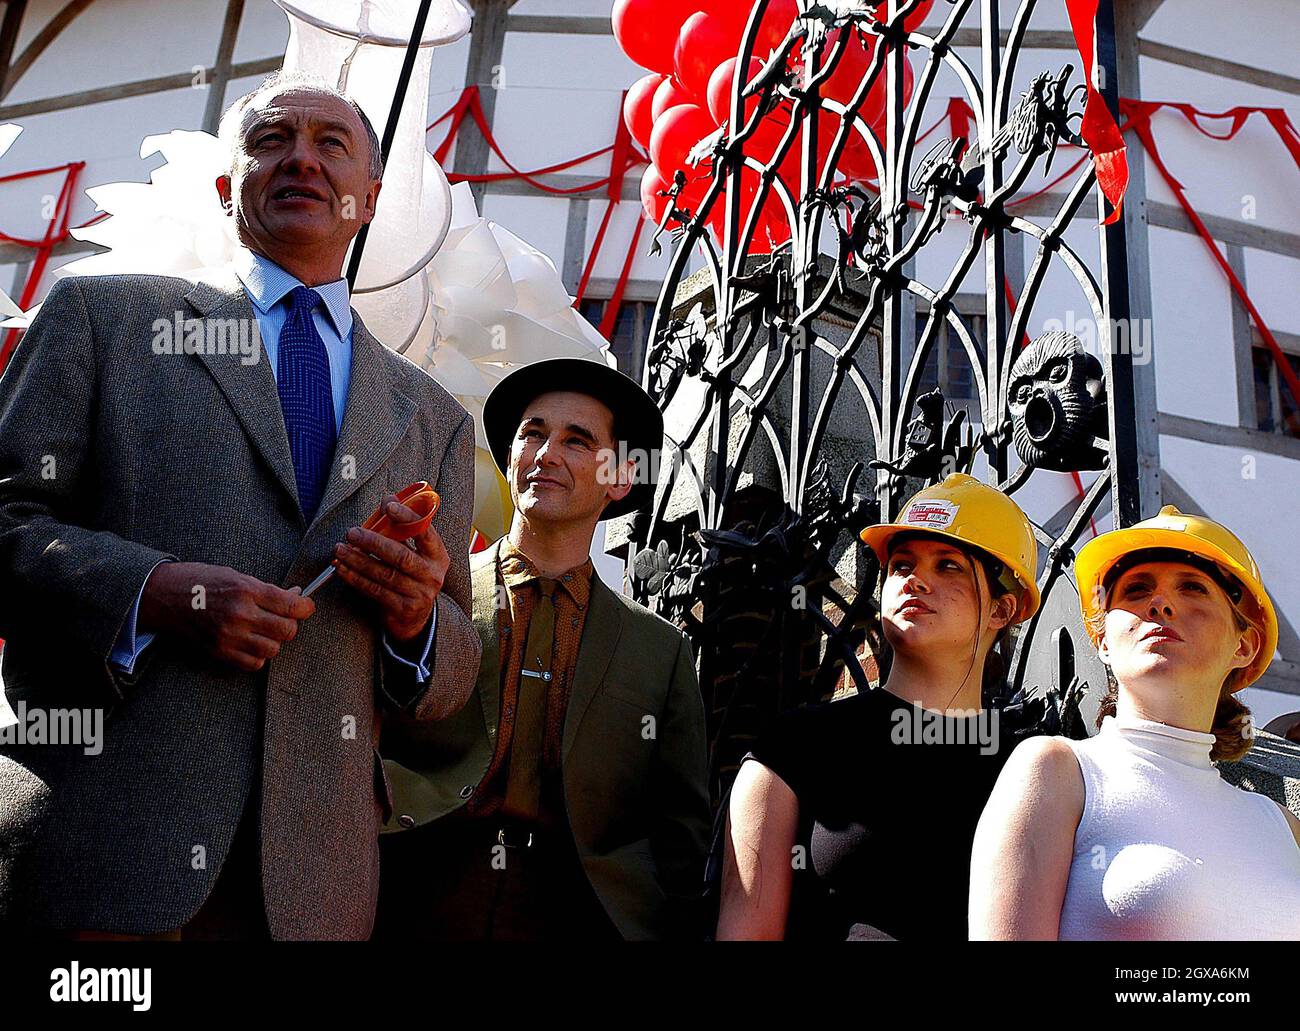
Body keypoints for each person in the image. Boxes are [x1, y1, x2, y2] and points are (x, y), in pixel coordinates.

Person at [0, 71, 480, 940]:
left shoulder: (434, 418)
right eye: (271, 140)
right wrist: (158, 591)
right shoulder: (100, 320)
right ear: (227, 189)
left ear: (367, 199)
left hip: (315, 893)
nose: (301, 158)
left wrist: (417, 625)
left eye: (331, 144)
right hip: (105, 860)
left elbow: (452, 670)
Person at [374, 356, 711, 941]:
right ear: (510, 456)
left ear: (621, 477)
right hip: (411, 899)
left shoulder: (661, 651)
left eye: (577, 441)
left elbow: (681, 832)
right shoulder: (433, 594)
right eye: (533, 433)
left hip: (584, 916)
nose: (547, 453)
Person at [717, 473, 1040, 940]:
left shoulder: (1029, 772)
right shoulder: (797, 746)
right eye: (901, 565)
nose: (914, 581)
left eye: (947, 566)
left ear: (1001, 610)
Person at [970, 506, 1300, 940]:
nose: (1160, 602)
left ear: (1245, 644)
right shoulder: (1057, 770)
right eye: (1137, 589)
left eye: (1193, 588)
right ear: (1103, 638)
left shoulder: (1280, 824)